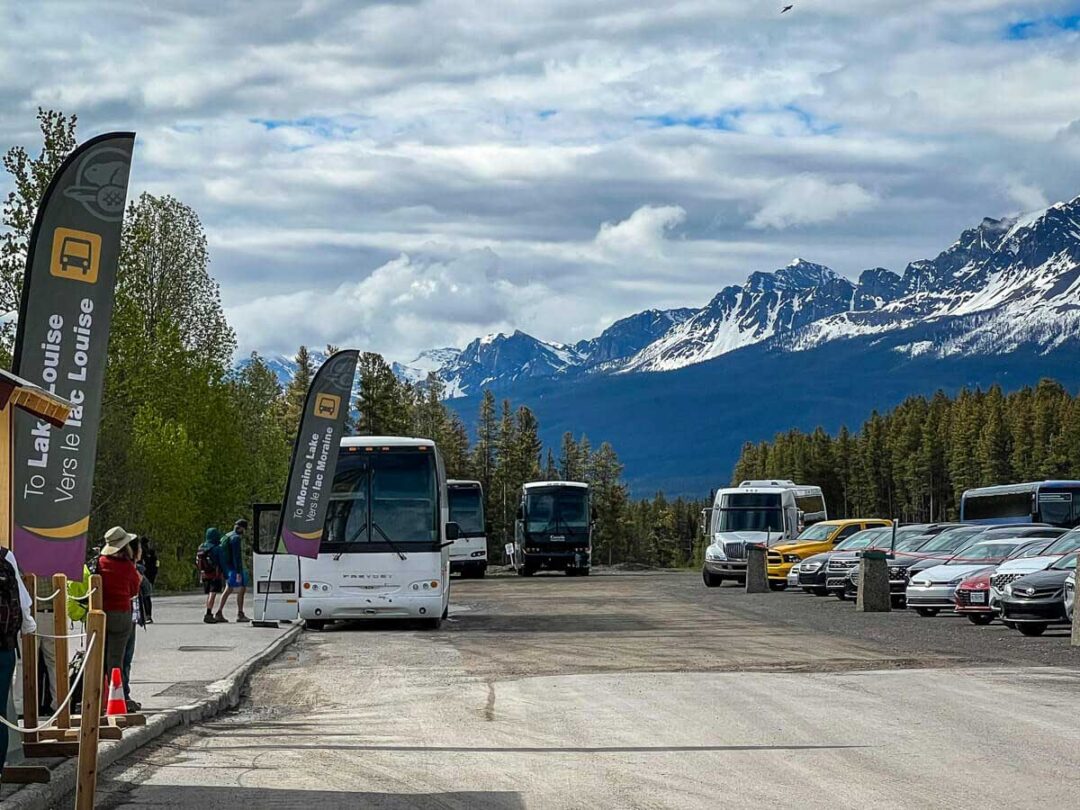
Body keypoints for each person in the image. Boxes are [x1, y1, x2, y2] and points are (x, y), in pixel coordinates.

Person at [1, 546, 37, 777]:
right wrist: (28, 627)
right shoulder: (5, 556)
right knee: (0, 712)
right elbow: (24, 604)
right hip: (3, 648)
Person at [98, 527, 142, 709]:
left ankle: (97, 697)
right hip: (121, 614)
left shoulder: (99, 563)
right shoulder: (127, 566)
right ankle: (119, 699)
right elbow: (134, 590)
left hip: (99, 614)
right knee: (116, 659)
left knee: (98, 657)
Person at [122, 538, 149, 712]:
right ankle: (123, 695)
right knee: (123, 659)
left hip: (132, 618)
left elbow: (146, 590)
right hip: (124, 617)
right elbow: (145, 589)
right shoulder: (127, 568)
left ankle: (125, 694)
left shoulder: (136, 568)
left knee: (127, 659)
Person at [219, 519, 251, 623]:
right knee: (241, 589)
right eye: (245, 529)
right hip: (236, 568)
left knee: (228, 589)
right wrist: (238, 572)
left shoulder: (227, 535)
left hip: (228, 567)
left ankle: (219, 613)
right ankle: (240, 614)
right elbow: (236, 556)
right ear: (242, 528)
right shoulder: (236, 538)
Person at [198, 528, 227, 623]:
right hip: (215, 574)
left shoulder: (202, 546)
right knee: (213, 593)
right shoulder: (218, 548)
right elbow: (222, 562)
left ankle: (208, 612)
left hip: (205, 574)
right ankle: (208, 614)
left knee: (210, 593)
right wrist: (226, 574)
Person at [140, 536, 158, 623]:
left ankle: (141, 615)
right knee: (147, 596)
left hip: (141, 575)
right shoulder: (152, 552)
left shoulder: (139, 551)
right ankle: (148, 615)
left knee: (140, 597)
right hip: (150, 576)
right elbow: (156, 565)